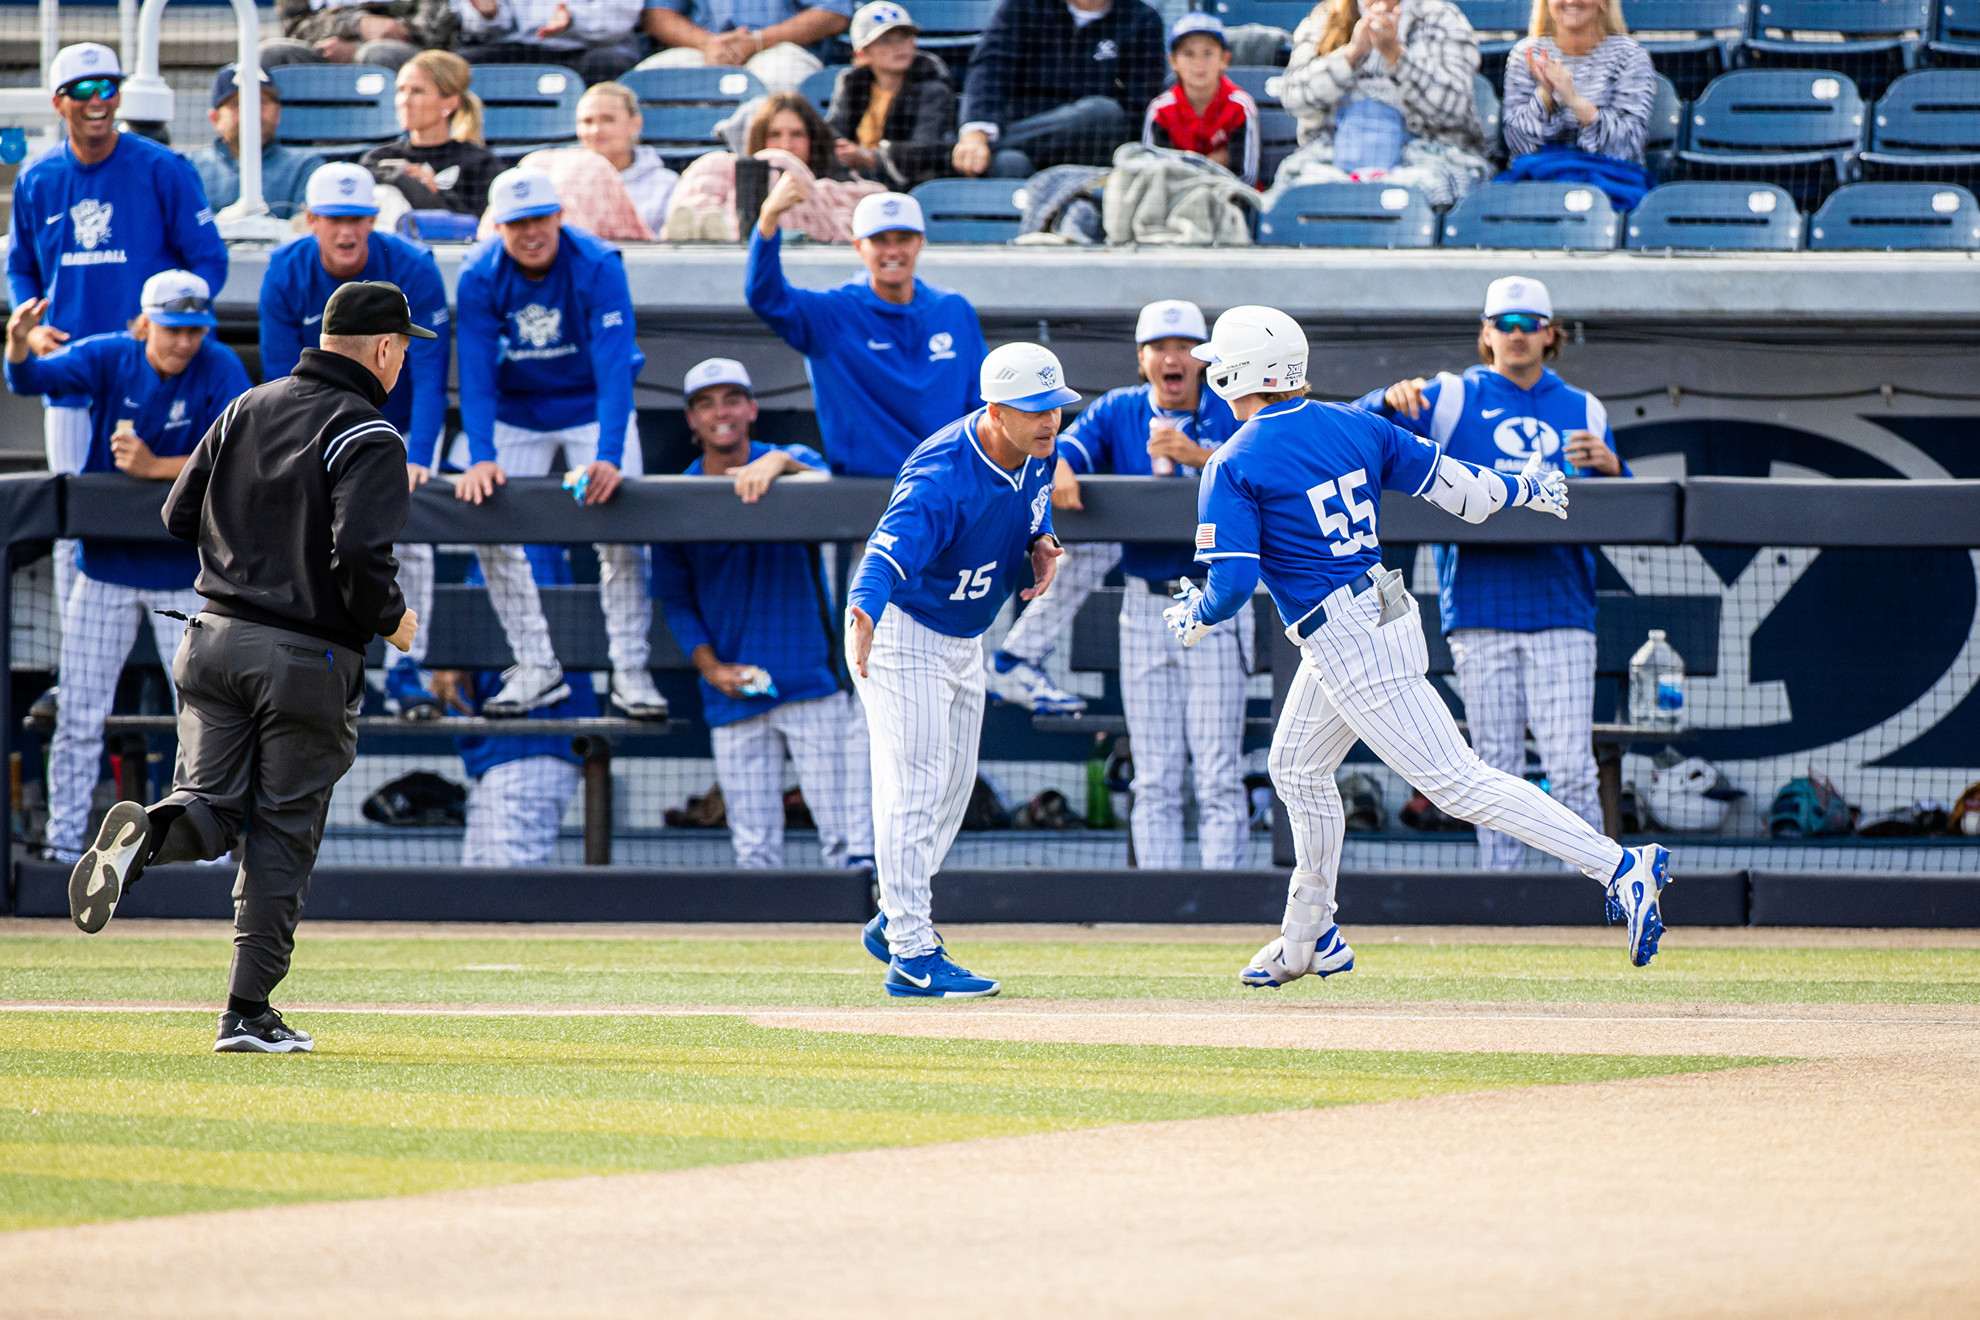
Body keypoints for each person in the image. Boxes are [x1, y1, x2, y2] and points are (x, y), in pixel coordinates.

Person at [1165, 305, 1670, 985]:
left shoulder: (1233, 461)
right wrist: (1525, 487)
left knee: (1456, 782)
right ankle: (1309, 934)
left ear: (1238, 373)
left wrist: (1195, 614)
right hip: (1379, 606)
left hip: (1343, 633)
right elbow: (1467, 492)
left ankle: (1617, 865)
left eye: (1216, 365)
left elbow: (1230, 585)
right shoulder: (1355, 422)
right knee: (1295, 768)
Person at [64, 280, 427, 1055]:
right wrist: (389, 618)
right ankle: (247, 1012)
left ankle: (150, 832)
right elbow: (360, 554)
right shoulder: (369, 431)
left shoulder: (244, 404)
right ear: (387, 349)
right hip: (305, 655)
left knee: (210, 807)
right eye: (403, 349)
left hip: (211, 638)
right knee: (282, 833)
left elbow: (177, 517)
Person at [1352, 276, 1628, 871]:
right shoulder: (1452, 395)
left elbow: (1625, 514)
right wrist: (1386, 400)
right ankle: (1505, 898)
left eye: (1530, 323)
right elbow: (1360, 434)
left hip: (1562, 608)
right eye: (1505, 323)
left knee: (1572, 768)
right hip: (1480, 608)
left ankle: (1597, 891)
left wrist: (1614, 469)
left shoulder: (1583, 406)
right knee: (1491, 770)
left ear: (1551, 334)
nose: (1518, 334)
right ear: (1485, 332)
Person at [845, 341, 1073, 998]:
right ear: (996, 411)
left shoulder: (1036, 451)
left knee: (951, 789)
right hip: (900, 633)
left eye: (1054, 407)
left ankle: (895, 916)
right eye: (1033, 410)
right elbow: (882, 558)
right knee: (912, 787)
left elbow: (1031, 508)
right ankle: (913, 951)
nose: (1049, 420)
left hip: (963, 636)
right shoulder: (942, 473)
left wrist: (1040, 541)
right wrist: (863, 617)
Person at [4, 271, 252, 865]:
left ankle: (204, 852)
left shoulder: (218, 367)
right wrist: (17, 340)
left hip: (184, 577)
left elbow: (244, 453)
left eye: (194, 329)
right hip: (105, 570)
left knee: (201, 718)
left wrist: (155, 466)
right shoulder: (113, 355)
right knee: (80, 716)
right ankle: (65, 844)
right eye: (172, 329)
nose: (184, 342)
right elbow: (29, 377)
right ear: (145, 322)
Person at [8, 43, 229, 681]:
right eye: (84, 89)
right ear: (59, 104)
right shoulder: (37, 176)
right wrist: (32, 317)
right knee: (71, 511)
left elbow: (207, 261)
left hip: (155, 368)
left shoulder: (163, 167)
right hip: (73, 371)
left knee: (179, 499)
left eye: (108, 86)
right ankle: (73, 671)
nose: (99, 99)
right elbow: (19, 263)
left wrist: (168, 310)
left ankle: (191, 670)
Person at [1038, 299, 1249, 869]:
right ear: (1142, 359)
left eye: (1184, 348)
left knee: (1217, 772)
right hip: (1144, 602)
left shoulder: (1231, 408)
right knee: (1153, 773)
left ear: (1203, 360)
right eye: (1160, 348)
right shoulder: (1119, 409)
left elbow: (1266, 478)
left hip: (1215, 601)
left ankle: (1222, 900)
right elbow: (1063, 451)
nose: (1172, 358)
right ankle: (1160, 904)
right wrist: (1058, 466)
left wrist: (1199, 457)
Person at [454, 168, 669, 720]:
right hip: (517, 409)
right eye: (517, 222)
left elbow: (615, 368)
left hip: (591, 404)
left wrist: (609, 454)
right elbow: (475, 374)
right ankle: (536, 666)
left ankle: (630, 670)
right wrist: (480, 457)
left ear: (558, 216)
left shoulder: (596, 262)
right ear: (499, 227)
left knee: (622, 532)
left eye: (540, 218)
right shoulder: (480, 272)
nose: (531, 232)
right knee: (489, 525)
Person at [651, 357, 875, 869]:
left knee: (847, 842)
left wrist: (781, 461)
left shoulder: (789, 467)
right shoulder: (678, 495)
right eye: (705, 404)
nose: (720, 412)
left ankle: (856, 945)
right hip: (732, 690)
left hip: (809, 684)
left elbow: (834, 479)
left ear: (751, 408)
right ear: (691, 419)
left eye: (731, 399)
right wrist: (710, 668)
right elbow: (676, 599)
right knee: (755, 852)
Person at [259, 163, 452, 722]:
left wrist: (420, 454)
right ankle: (331, 667)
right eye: (335, 220)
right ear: (311, 220)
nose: (347, 232)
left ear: (374, 221)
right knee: (315, 536)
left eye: (359, 219)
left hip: (400, 421)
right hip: (321, 425)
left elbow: (434, 373)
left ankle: (406, 672)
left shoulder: (412, 267)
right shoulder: (285, 270)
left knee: (411, 541)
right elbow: (280, 380)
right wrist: (296, 458)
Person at [746, 189, 984, 474]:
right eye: (879, 240)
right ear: (858, 246)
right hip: (864, 492)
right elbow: (766, 299)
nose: (892, 251)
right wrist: (769, 219)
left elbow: (982, 403)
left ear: (920, 242)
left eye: (903, 239)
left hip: (947, 488)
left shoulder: (953, 309)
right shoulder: (832, 312)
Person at [433, 547, 599, 867]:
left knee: (507, 901)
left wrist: (458, 657)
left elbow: (543, 626)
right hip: (502, 750)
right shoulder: (490, 549)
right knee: (479, 901)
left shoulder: (528, 547)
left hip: (532, 742)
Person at [1270, 0, 1489, 209]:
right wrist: (1352, 54)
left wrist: (1395, 55)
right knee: (1291, 196)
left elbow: (1454, 108)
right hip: (1332, 160)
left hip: (1424, 159)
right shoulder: (1325, 17)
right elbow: (1292, 99)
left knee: (1422, 193)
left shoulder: (1441, 18)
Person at [953, 0, 1167, 178]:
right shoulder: (1022, 6)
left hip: (1093, 149)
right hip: (1029, 133)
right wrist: (976, 134)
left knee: (1103, 112)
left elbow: (1139, 106)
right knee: (1009, 163)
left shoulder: (1142, 20)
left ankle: (988, 143)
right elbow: (990, 69)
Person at [664, 92, 881, 240]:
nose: (785, 145)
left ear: (813, 138)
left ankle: (731, 235)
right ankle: (697, 235)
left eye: (797, 134)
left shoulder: (840, 179)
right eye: (774, 135)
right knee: (713, 164)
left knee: (779, 166)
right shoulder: (732, 171)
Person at [1501, 0, 1654, 168]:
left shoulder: (1631, 55)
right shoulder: (1526, 54)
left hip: (1610, 178)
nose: (1571, 1)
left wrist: (1574, 101)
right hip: (1539, 179)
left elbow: (1629, 147)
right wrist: (1545, 95)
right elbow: (1517, 146)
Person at [827, 2, 959, 192]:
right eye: (885, 40)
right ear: (862, 53)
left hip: (907, 187)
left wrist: (872, 159)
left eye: (904, 37)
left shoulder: (933, 87)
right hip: (851, 182)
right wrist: (842, 150)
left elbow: (927, 151)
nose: (899, 47)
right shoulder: (851, 83)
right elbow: (833, 130)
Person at [359, 51, 505, 217]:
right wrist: (403, 176)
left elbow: (480, 224)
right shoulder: (378, 158)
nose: (404, 101)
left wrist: (433, 189)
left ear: (450, 102)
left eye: (417, 91)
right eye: (401, 90)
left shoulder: (480, 163)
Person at [186, 64, 328, 220]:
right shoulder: (190, 167)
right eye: (237, 104)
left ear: (278, 112)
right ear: (215, 118)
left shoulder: (304, 166)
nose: (252, 111)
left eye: (261, 101)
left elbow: (305, 235)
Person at [638, 0, 853, 96]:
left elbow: (833, 14)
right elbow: (657, 15)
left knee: (783, 85)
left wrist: (757, 41)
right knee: (643, 82)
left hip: (777, 47)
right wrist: (707, 43)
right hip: (704, 47)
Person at [1142, 14, 1260, 187]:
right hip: (1175, 200)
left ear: (1224, 59)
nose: (1199, 63)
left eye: (1208, 53)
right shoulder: (1160, 110)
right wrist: (1210, 164)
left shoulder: (1240, 106)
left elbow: (1246, 177)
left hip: (1229, 199)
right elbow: (1153, 175)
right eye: (1189, 54)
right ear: (1173, 61)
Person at [575, 81, 680, 234]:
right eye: (587, 121)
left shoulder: (667, 184)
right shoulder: (562, 181)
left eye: (607, 119)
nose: (595, 130)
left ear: (635, 124)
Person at [457, 0, 647, 83]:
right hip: (522, 49)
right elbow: (483, 27)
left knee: (607, 65)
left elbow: (618, 21)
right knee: (460, 67)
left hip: (588, 50)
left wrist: (573, 20)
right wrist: (489, 13)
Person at [262, 0, 454, 71]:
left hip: (403, 55)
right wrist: (356, 24)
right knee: (270, 53)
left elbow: (435, 29)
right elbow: (293, 27)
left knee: (377, 53)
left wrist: (358, 49)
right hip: (324, 51)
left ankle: (387, 144)